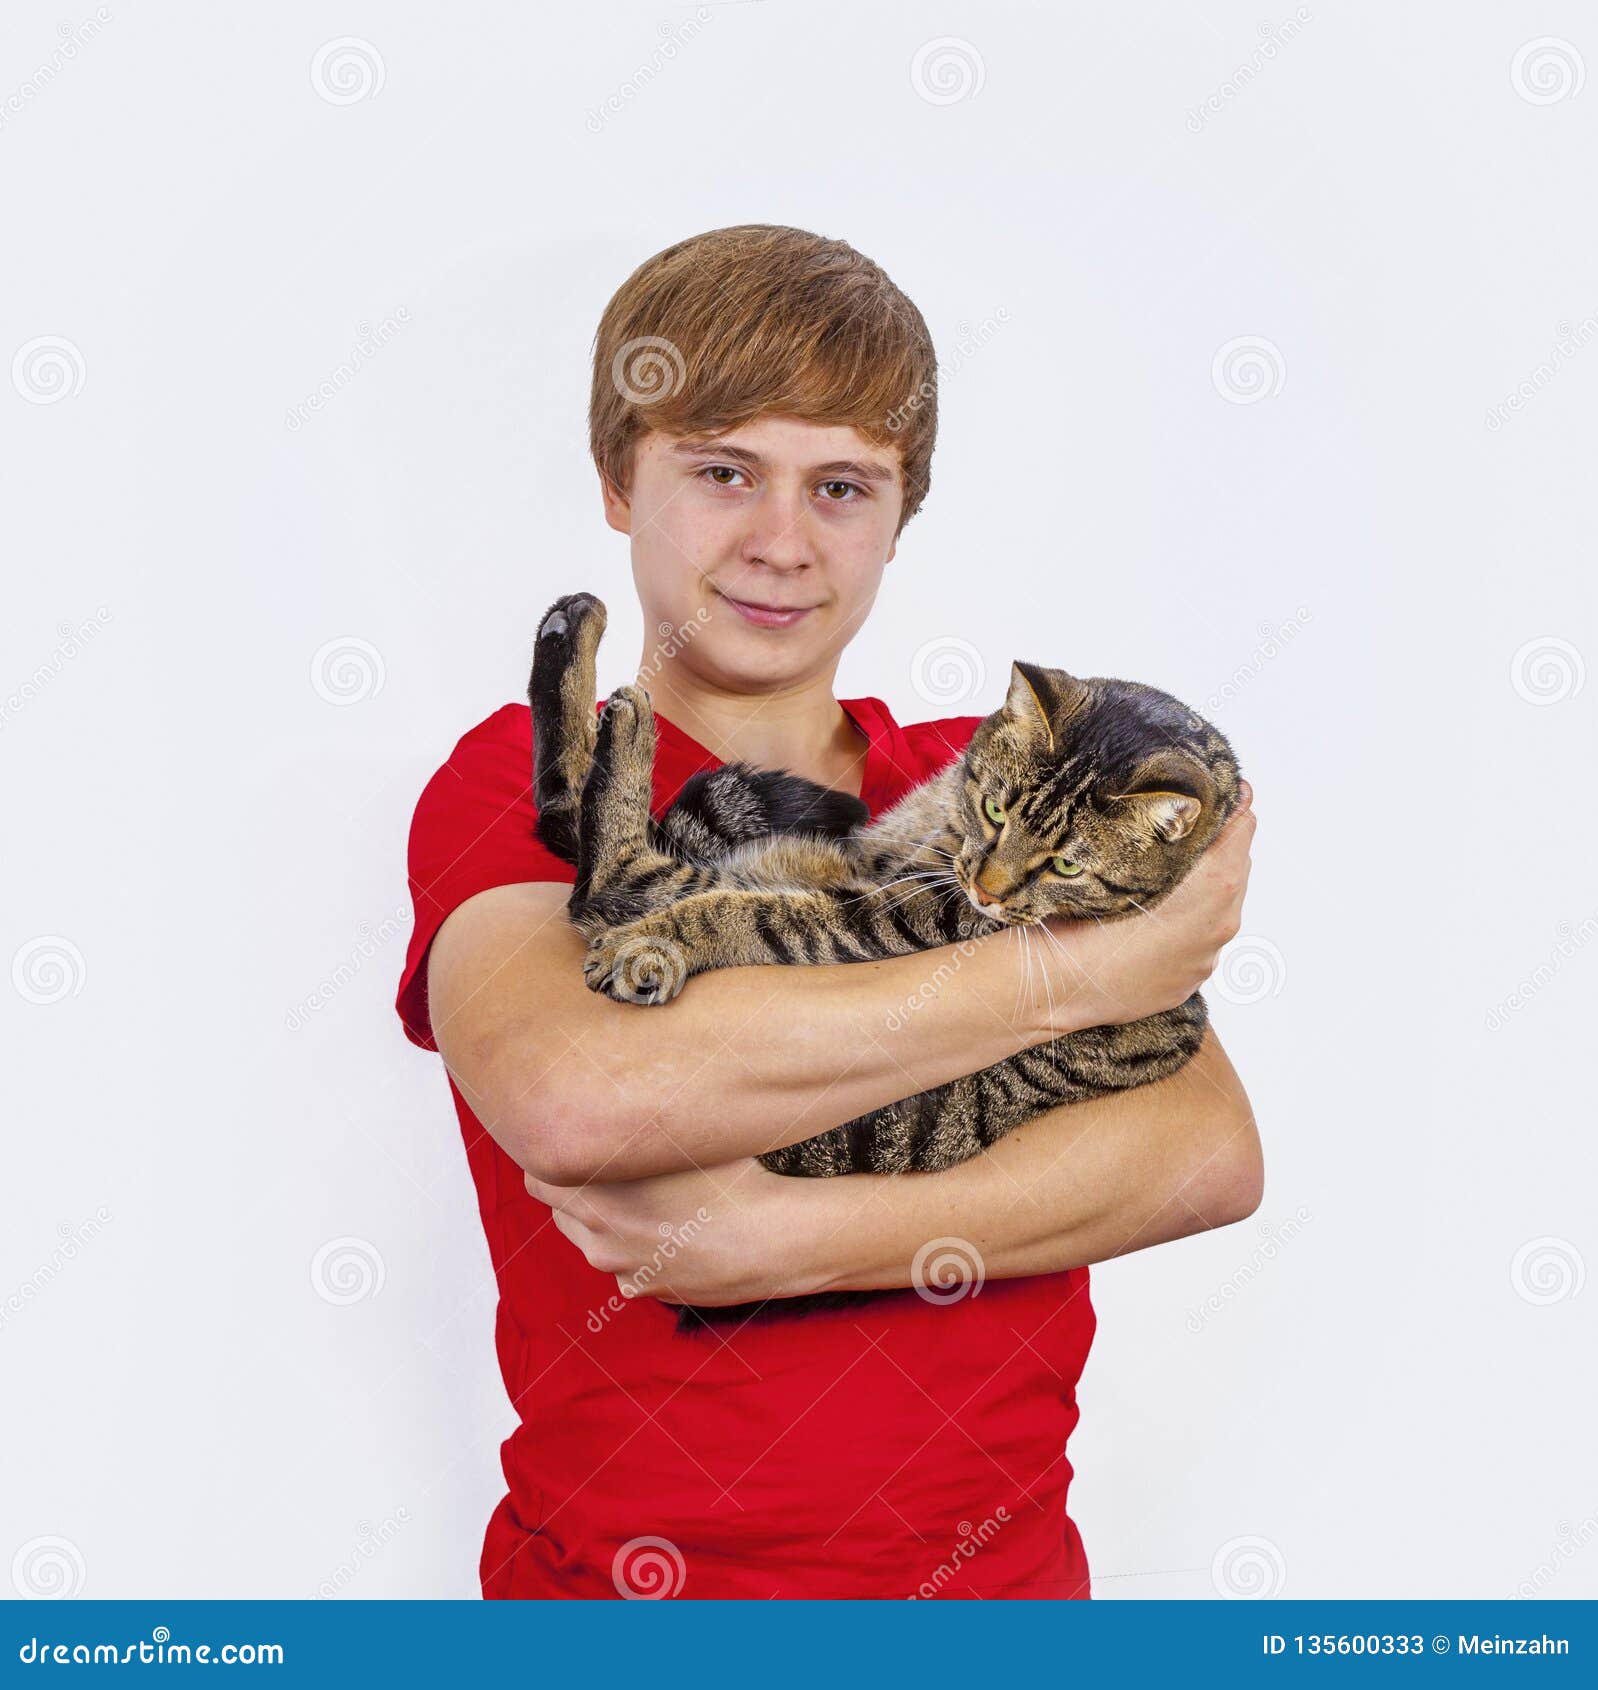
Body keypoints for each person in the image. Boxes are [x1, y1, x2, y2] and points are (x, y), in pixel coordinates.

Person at [395, 224, 1261, 1600]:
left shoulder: (989, 786)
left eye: (842, 487)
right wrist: (1064, 979)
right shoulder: (515, 780)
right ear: (621, 480)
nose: (781, 542)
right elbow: (581, 1096)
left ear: (900, 512)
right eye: (723, 470)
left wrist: (779, 1242)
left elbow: (1203, 1147)